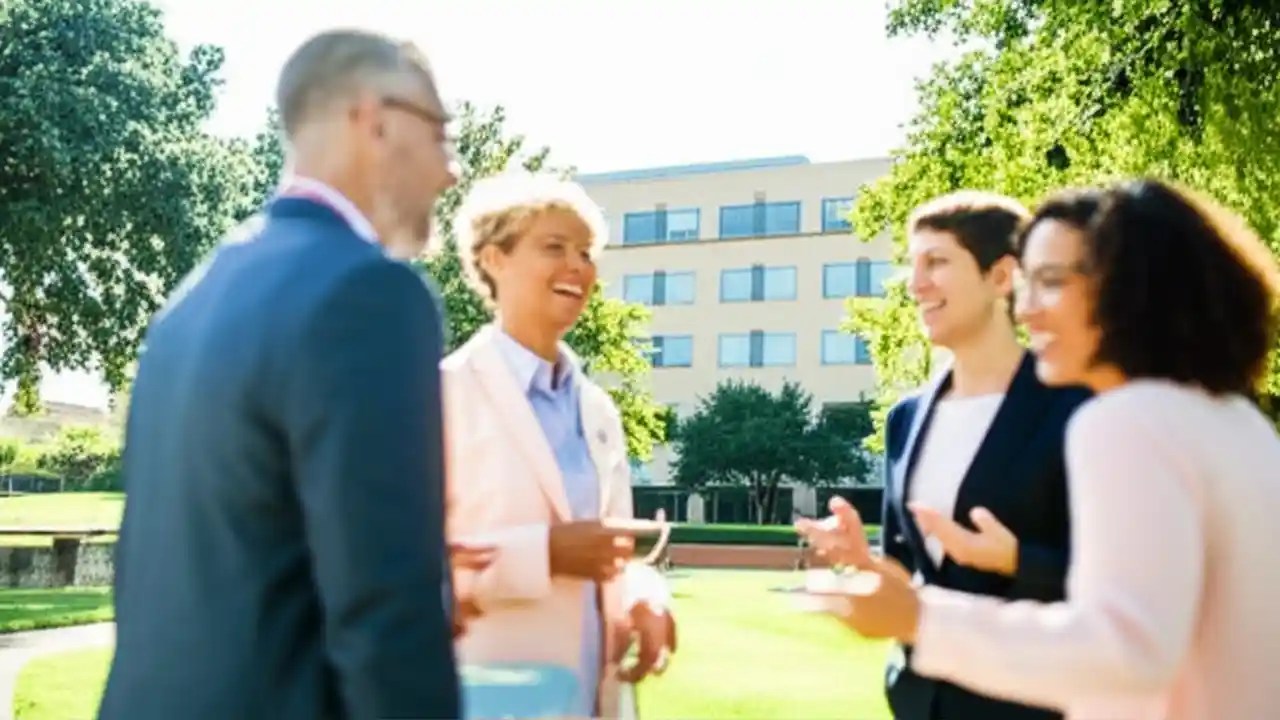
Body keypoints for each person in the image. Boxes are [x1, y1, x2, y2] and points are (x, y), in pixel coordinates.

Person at [100, 29, 472, 720]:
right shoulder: (369, 295)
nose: (450, 171)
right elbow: (385, 608)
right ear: (377, 119)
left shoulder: (188, 304)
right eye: (442, 133)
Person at [807, 179, 1280, 719]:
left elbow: (1129, 651)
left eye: (1051, 283)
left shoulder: (1124, 421)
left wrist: (923, 618)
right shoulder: (1241, 424)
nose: (1027, 311)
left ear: (1131, 288)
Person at [798, 191, 1089, 720]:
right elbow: (908, 576)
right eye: (913, 265)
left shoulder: (1077, 408)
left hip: (1034, 705)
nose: (916, 285)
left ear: (1001, 278)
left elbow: (1123, 589)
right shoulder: (905, 418)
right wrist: (862, 562)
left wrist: (1018, 562)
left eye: (937, 262)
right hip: (919, 701)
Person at [442, 173, 677, 719]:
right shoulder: (440, 394)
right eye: (555, 247)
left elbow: (613, 548)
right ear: (493, 258)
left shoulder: (597, 409)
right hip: (484, 697)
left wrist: (644, 596)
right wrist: (542, 554)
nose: (578, 266)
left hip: (595, 700)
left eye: (586, 253)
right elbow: (400, 569)